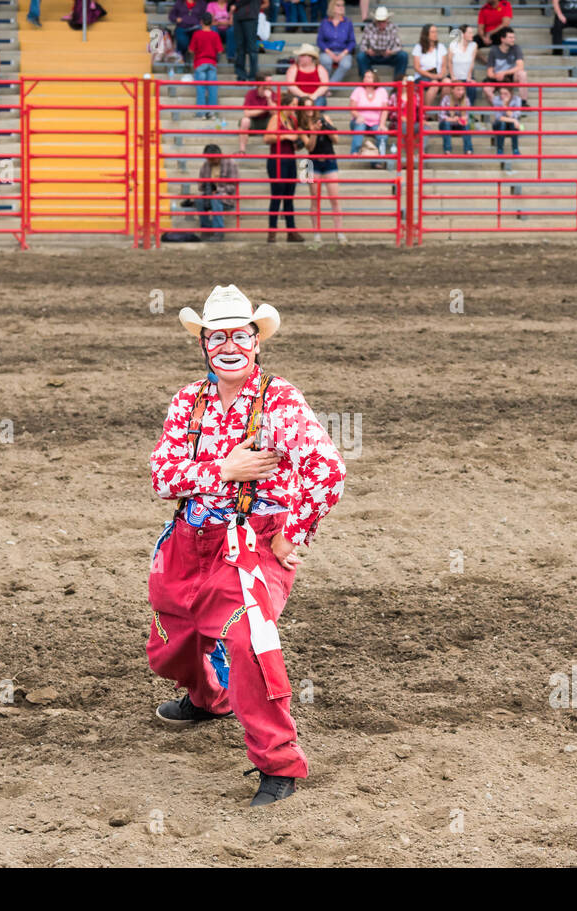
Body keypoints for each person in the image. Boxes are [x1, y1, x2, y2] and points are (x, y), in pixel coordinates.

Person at [148, 284, 345, 808]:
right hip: (188, 540)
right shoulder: (188, 400)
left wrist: (292, 534)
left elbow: (327, 471)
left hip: (250, 543)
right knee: (173, 642)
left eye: (240, 335)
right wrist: (224, 469)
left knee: (248, 641)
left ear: (256, 342)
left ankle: (278, 763)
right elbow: (162, 478)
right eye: (218, 337)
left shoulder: (279, 400)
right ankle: (210, 698)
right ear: (204, 344)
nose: (229, 345)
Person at [264, 91, 307, 241]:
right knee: (277, 196)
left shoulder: (292, 120)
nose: (296, 107)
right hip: (277, 160)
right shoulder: (277, 118)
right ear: (286, 105)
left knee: (289, 196)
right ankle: (272, 231)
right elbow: (267, 137)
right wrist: (285, 136)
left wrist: (297, 143)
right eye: (293, 104)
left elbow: (296, 141)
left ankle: (291, 230)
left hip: (290, 159)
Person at [301, 101, 346, 242]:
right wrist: (314, 132)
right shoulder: (301, 125)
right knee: (314, 199)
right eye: (305, 106)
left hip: (329, 160)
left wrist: (325, 127)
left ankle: (339, 232)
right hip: (310, 163)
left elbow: (336, 139)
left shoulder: (324, 118)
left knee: (335, 198)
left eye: (311, 105)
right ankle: (316, 233)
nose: (309, 109)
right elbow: (309, 147)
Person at [196, 143, 238, 238]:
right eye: (208, 159)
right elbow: (200, 185)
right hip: (209, 195)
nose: (210, 161)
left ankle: (218, 231)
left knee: (215, 198)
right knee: (198, 200)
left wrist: (218, 190)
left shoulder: (230, 163)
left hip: (226, 197)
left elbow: (233, 187)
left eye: (213, 158)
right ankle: (206, 229)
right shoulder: (205, 165)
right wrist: (206, 187)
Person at [349, 68, 391, 158]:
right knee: (360, 125)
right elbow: (352, 108)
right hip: (359, 121)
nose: (366, 79)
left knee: (383, 135)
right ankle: (354, 152)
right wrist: (358, 116)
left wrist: (382, 124)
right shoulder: (358, 90)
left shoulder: (382, 91)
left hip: (375, 122)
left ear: (375, 79)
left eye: (369, 77)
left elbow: (385, 109)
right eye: (365, 77)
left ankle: (378, 158)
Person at [356, 6, 407, 80]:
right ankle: (367, 80)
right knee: (361, 56)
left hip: (388, 56)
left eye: (383, 21)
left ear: (387, 20)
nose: (381, 23)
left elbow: (398, 46)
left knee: (403, 56)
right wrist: (368, 51)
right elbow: (363, 45)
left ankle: (398, 82)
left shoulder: (392, 27)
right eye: (379, 21)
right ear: (376, 20)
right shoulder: (369, 27)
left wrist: (391, 52)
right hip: (372, 55)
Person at [191, 13, 223, 118]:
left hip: (200, 63)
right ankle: (212, 112)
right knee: (212, 89)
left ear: (201, 22)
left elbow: (191, 50)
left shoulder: (197, 34)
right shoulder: (215, 35)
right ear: (212, 22)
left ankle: (201, 113)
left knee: (201, 89)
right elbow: (220, 50)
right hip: (212, 64)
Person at [316, 0, 355, 83]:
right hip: (327, 51)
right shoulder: (325, 22)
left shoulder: (348, 23)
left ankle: (327, 87)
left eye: (343, 5)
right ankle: (326, 84)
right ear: (332, 7)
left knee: (346, 64)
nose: (341, 8)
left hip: (343, 51)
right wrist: (329, 53)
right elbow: (320, 41)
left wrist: (343, 53)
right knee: (326, 61)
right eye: (338, 5)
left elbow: (352, 41)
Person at [411, 24, 447, 106]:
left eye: (436, 32)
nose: (435, 34)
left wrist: (441, 74)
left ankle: (442, 110)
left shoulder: (441, 47)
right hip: (423, 76)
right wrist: (431, 76)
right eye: (432, 32)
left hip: (437, 75)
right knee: (434, 84)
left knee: (447, 82)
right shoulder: (418, 47)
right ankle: (425, 111)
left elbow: (444, 65)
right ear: (426, 34)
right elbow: (417, 67)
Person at [486, 83, 522, 165]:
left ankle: (515, 149)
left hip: (511, 126)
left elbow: (516, 115)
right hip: (498, 125)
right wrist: (514, 120)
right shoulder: (496, 99)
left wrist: (505, 107)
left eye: (505, 94)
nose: (503, 96)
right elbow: (499, 117)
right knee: (502, 123)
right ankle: (500, 149)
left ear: (511, 93)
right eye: (501, 93)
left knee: (513, 125)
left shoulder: (517, 99)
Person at [238, 74, 276, 151]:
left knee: (276, 119)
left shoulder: (273, 94)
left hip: (267, 122)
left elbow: (274, 113)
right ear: (261, 83)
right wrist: (265, 109)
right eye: (269, 81)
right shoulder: (250, 93)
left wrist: (269, 99)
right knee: (245, 121)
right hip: (254, 122)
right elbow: (247, 113)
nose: (271, 83)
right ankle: (242, 150)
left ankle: (274, 151)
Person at [444, 25, 480, 103]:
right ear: (463, 34)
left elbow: (472, 62)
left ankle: (469, 112)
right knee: (446, 83)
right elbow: (449, 62)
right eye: (470, 33)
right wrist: (453, 76)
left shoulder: (474, 45)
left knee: (472, 85)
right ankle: (445, 108)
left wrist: (469, 76)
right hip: (454, 76)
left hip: (466, 76)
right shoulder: (453, 45)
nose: (472, 35)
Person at [228, 0, 262, 82]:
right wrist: (230, 6)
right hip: (238, 17)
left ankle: (253, 75)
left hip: (250, 16)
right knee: (240, 47)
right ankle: (241, 74)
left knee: (252, 48)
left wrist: (236, 5)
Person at [437, 83, 474, 154]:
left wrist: (462, 119)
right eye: (458, 90)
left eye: (463, 90)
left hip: (459, 124)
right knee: (446, 124)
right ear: (452, 90)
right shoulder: (446, 99)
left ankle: (468, 150)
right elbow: (441, 116)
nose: (461, 92)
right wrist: (453, 119)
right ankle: (447, 150)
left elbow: (467, 116)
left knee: (466, 125)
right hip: (446, 125)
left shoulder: (466, 100)